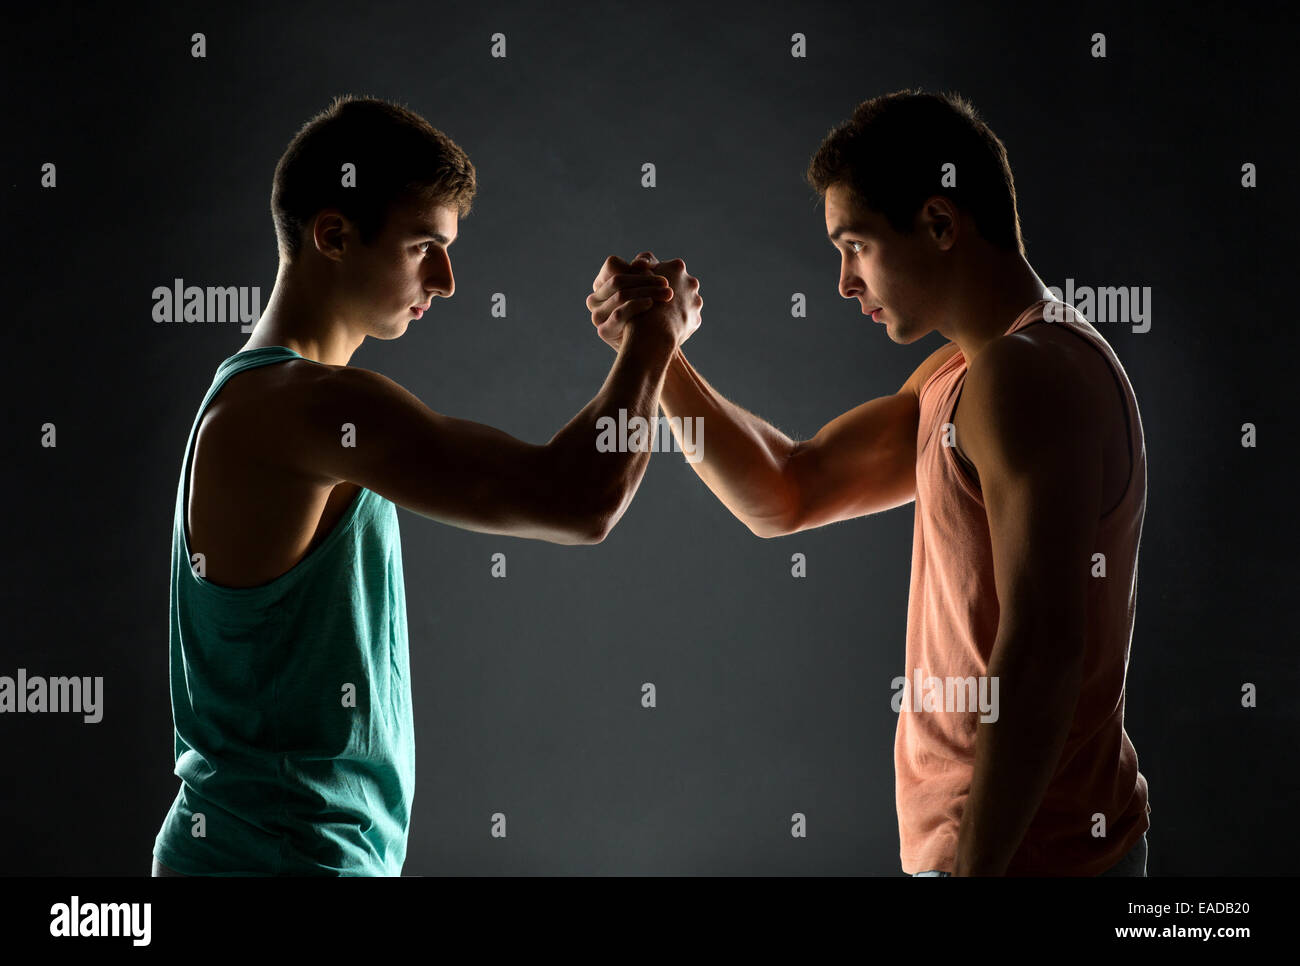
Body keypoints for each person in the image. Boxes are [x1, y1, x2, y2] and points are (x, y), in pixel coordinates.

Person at [587, 89, 1151, 876]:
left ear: (940, 224)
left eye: (855, 245)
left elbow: (1042, 650)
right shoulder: (966, 374)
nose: (845, 281)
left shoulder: (1025, 379)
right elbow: (788, 490)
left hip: (1030, 859)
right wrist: (662, 349)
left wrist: (976, 870)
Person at [151, 95, 701, 876]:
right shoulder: (305, 407)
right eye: (423, 247)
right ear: (334, 235)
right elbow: (578, 498)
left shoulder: (272, 402)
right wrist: (654, 335)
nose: (445, 280)